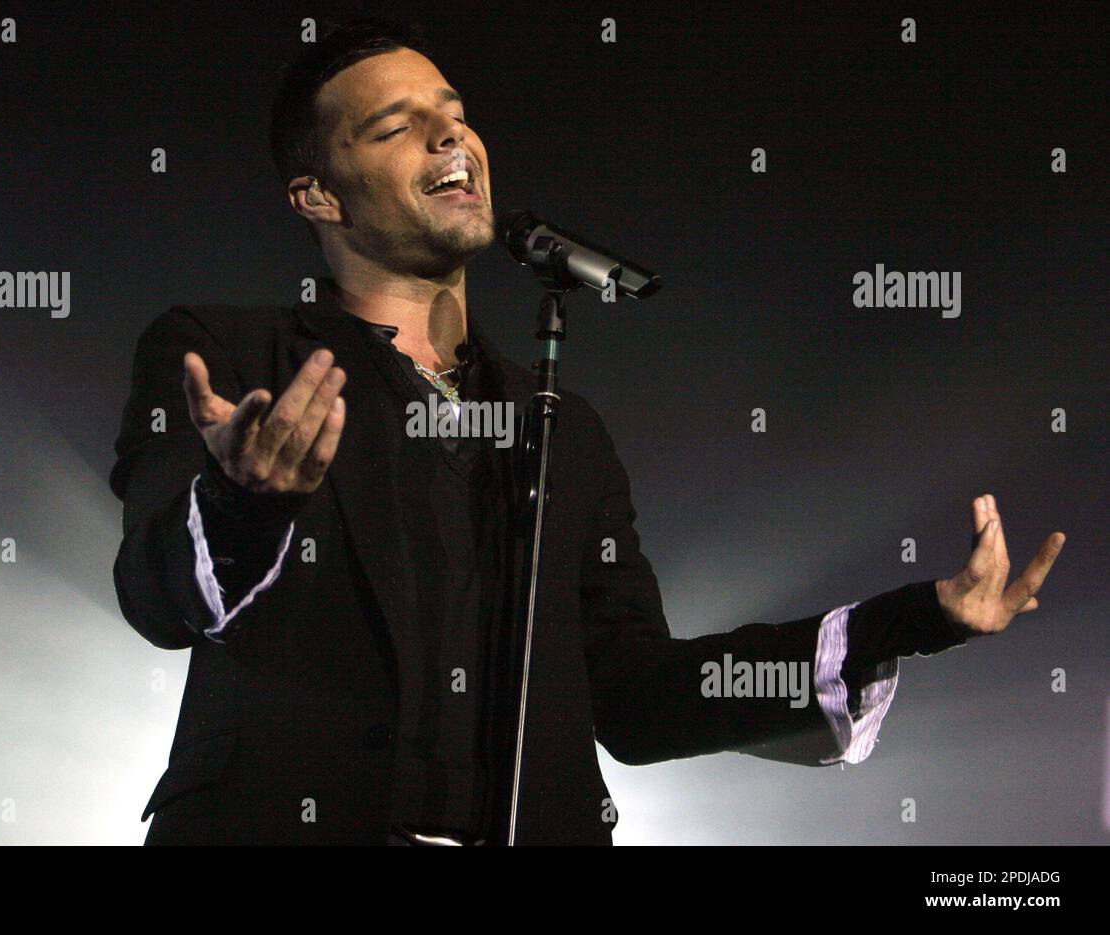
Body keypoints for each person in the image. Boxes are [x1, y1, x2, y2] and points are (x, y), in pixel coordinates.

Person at [109, 18, 1066, 845]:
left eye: (455, 112)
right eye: (398, 127)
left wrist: (916, 618)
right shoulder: (227, 357)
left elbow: (637, 693)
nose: (452, 134)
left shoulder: (559, 425)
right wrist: (239, 503)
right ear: (320, 194)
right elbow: (154, 596)